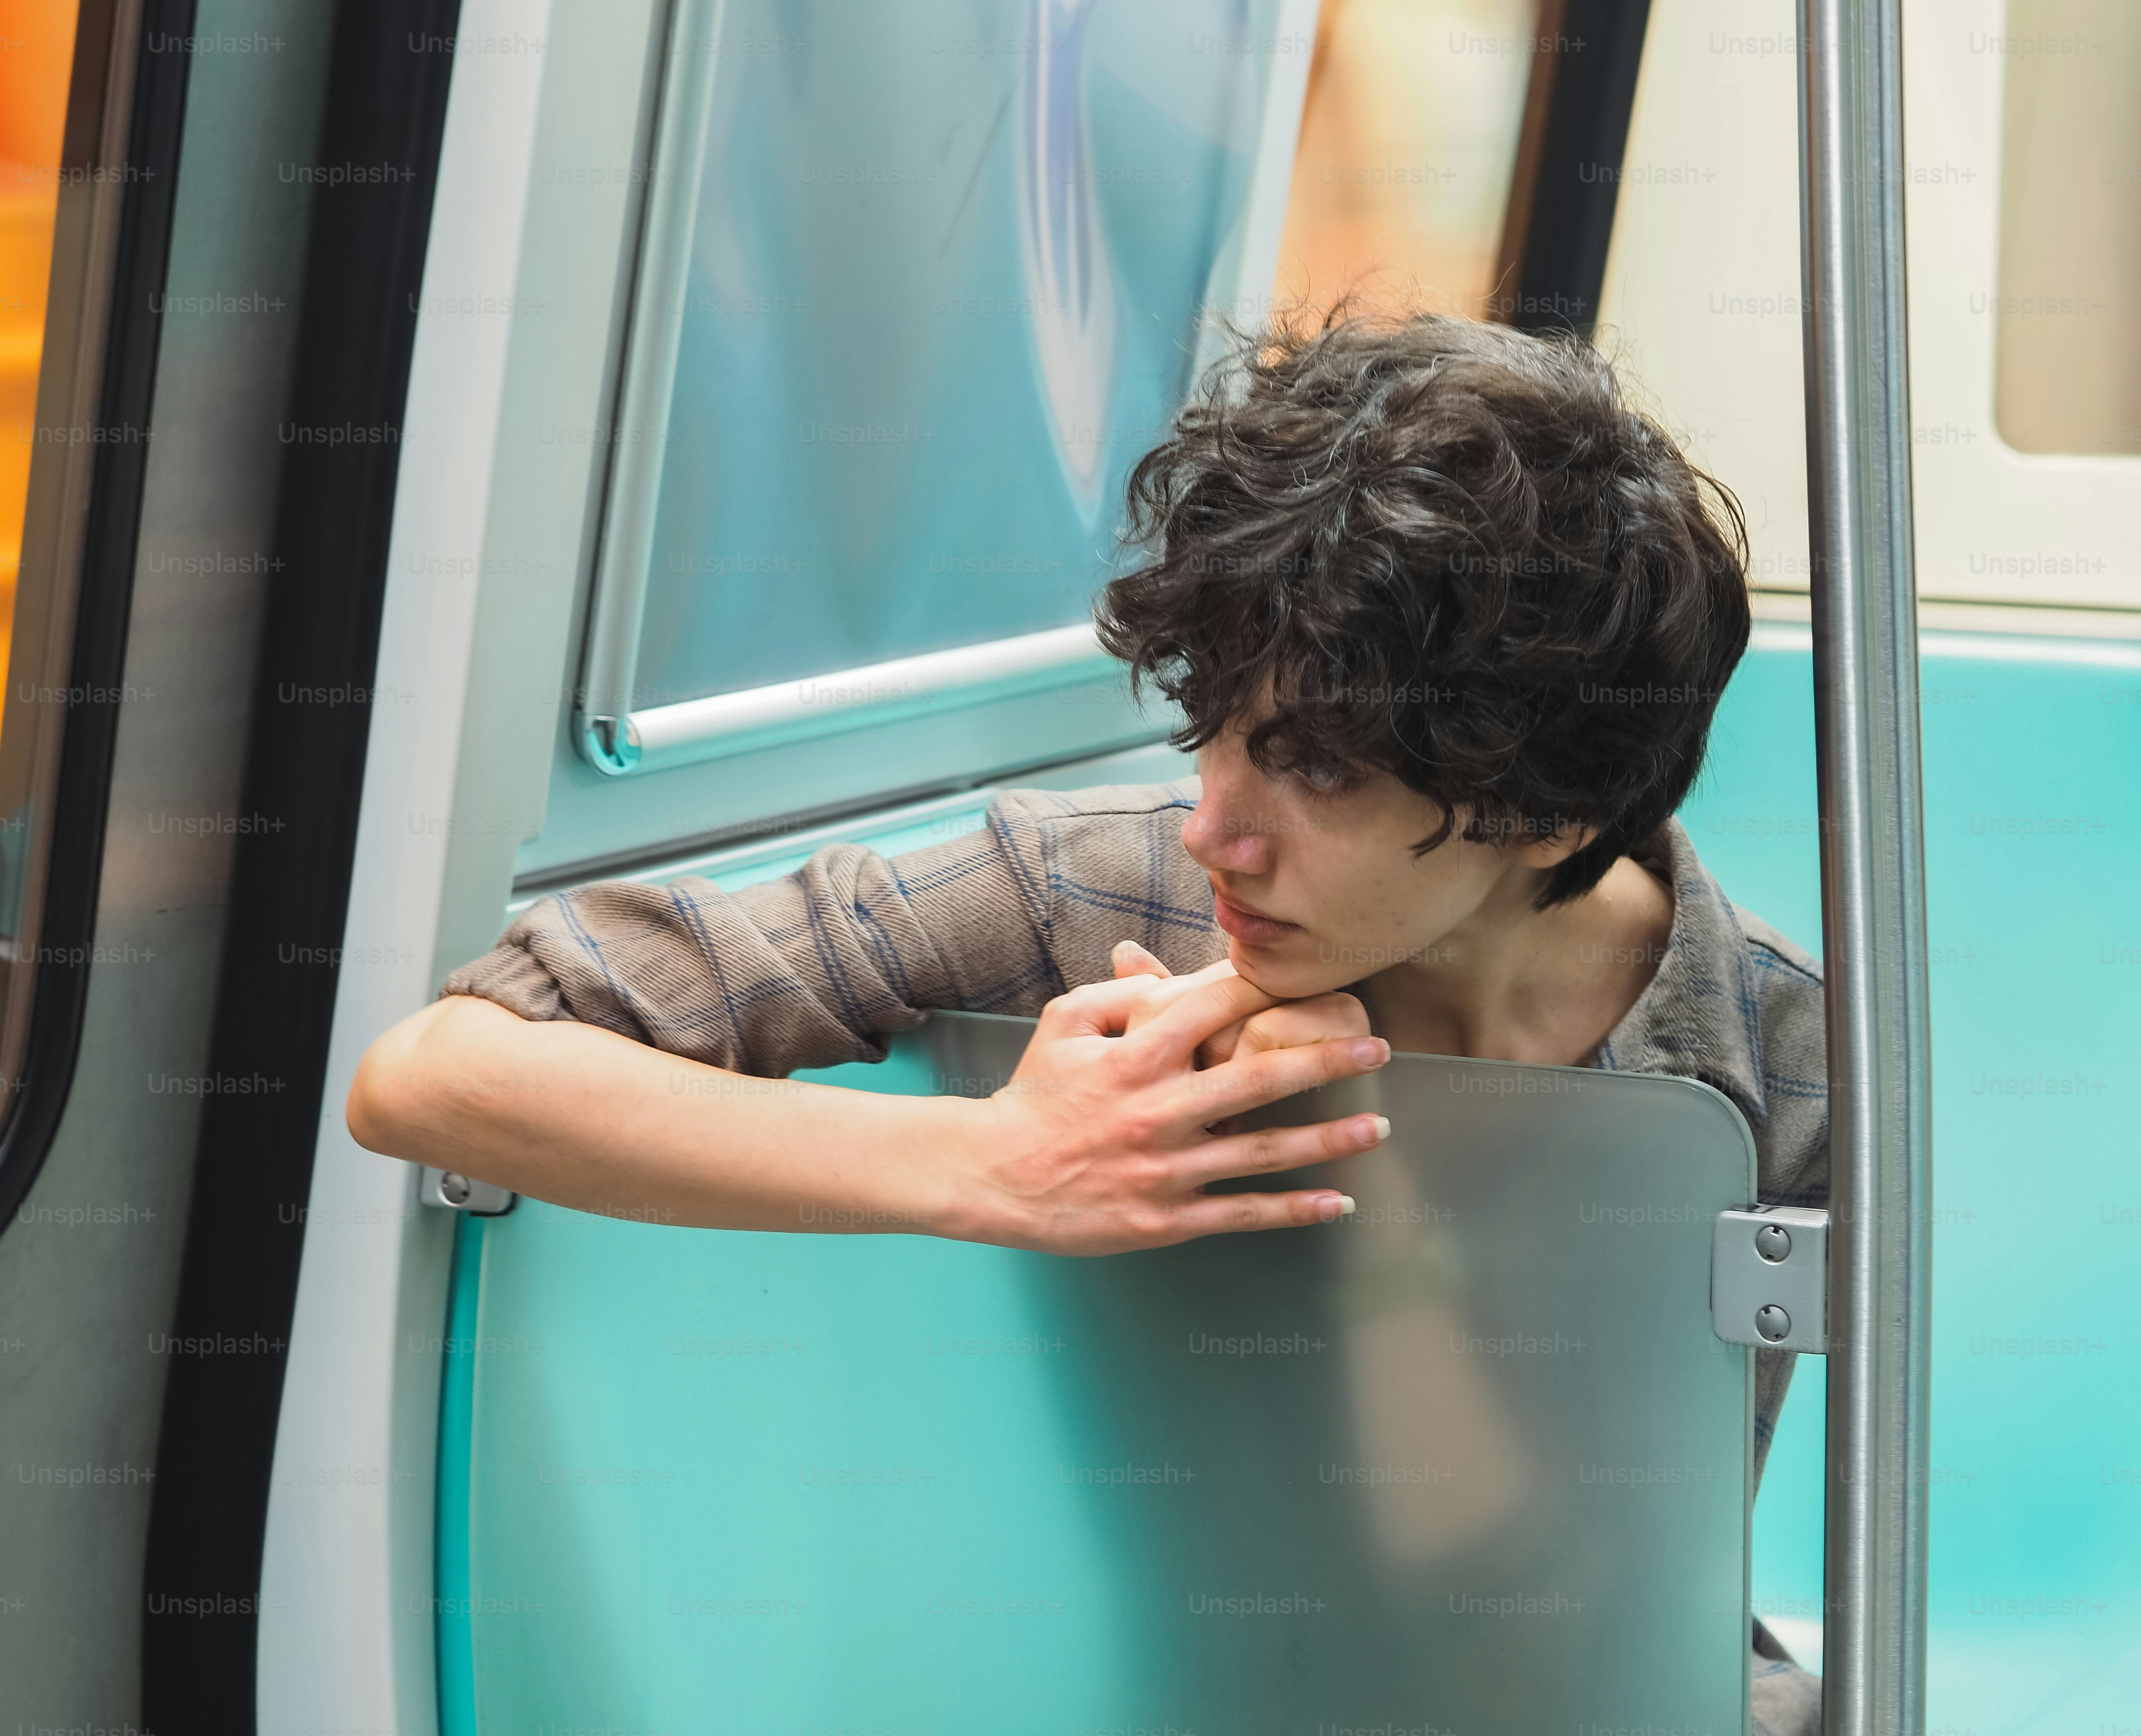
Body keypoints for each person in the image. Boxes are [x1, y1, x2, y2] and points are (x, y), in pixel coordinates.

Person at [347, 310, 1827, 1732]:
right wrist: (989, 1165)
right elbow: (439, 1074)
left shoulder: (1790, 1068)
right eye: (1214, 733)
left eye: (1315, 771)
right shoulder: (1090, 893)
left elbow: (1518, 1644)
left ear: (1543, 802)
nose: (1215, 837)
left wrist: (1382, 1237)